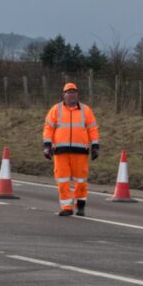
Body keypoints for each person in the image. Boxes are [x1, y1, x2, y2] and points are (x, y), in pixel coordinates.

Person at [42, 80, 99, 217]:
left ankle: (80, 205)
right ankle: (67, 207)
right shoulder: (56, 109)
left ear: (77, 95)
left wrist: (95, 146)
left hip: (80, 152)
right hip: (61, 152)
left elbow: (93, 129)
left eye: (74, 92)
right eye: (69, 93)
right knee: (62, 180)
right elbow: (48, 128)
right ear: (64, 95)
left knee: (80, 181)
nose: (72, 95)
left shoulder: (86, 110)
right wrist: (47, 146)